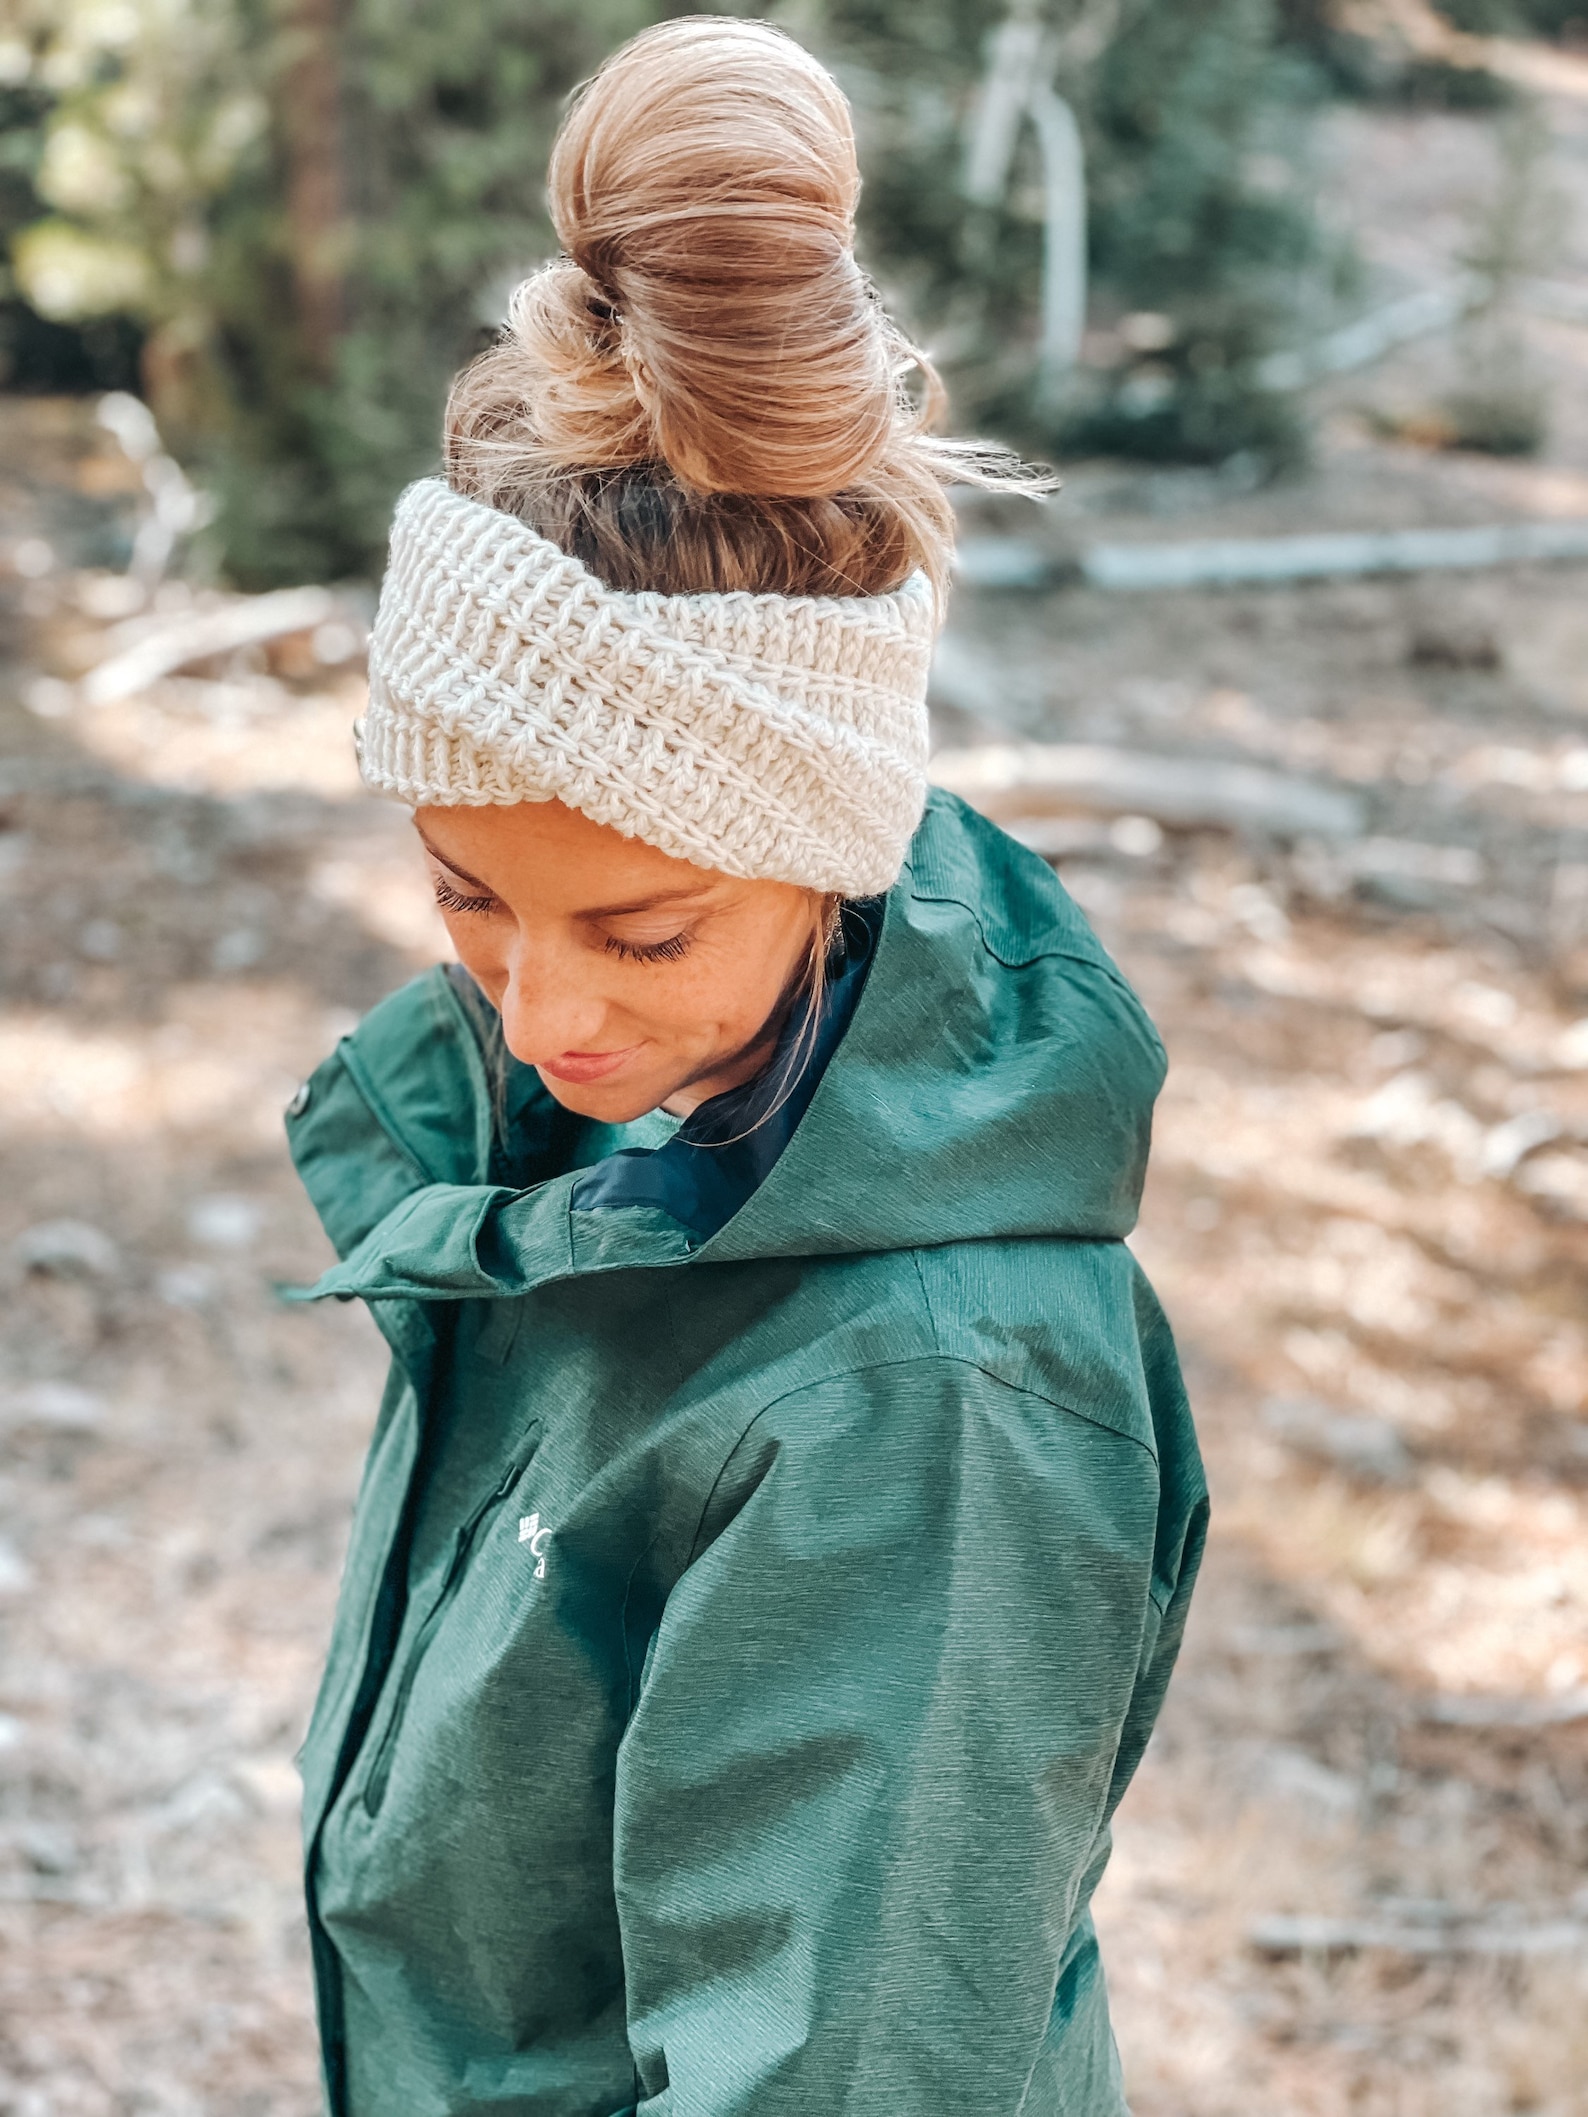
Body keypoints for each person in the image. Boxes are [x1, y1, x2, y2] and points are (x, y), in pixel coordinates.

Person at [286, 19, 1206, 2116]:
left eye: (642, 929)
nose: (533, 1017)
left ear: (830, 855)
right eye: (465, 900)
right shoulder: (609, 1152)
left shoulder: (930, 1397)